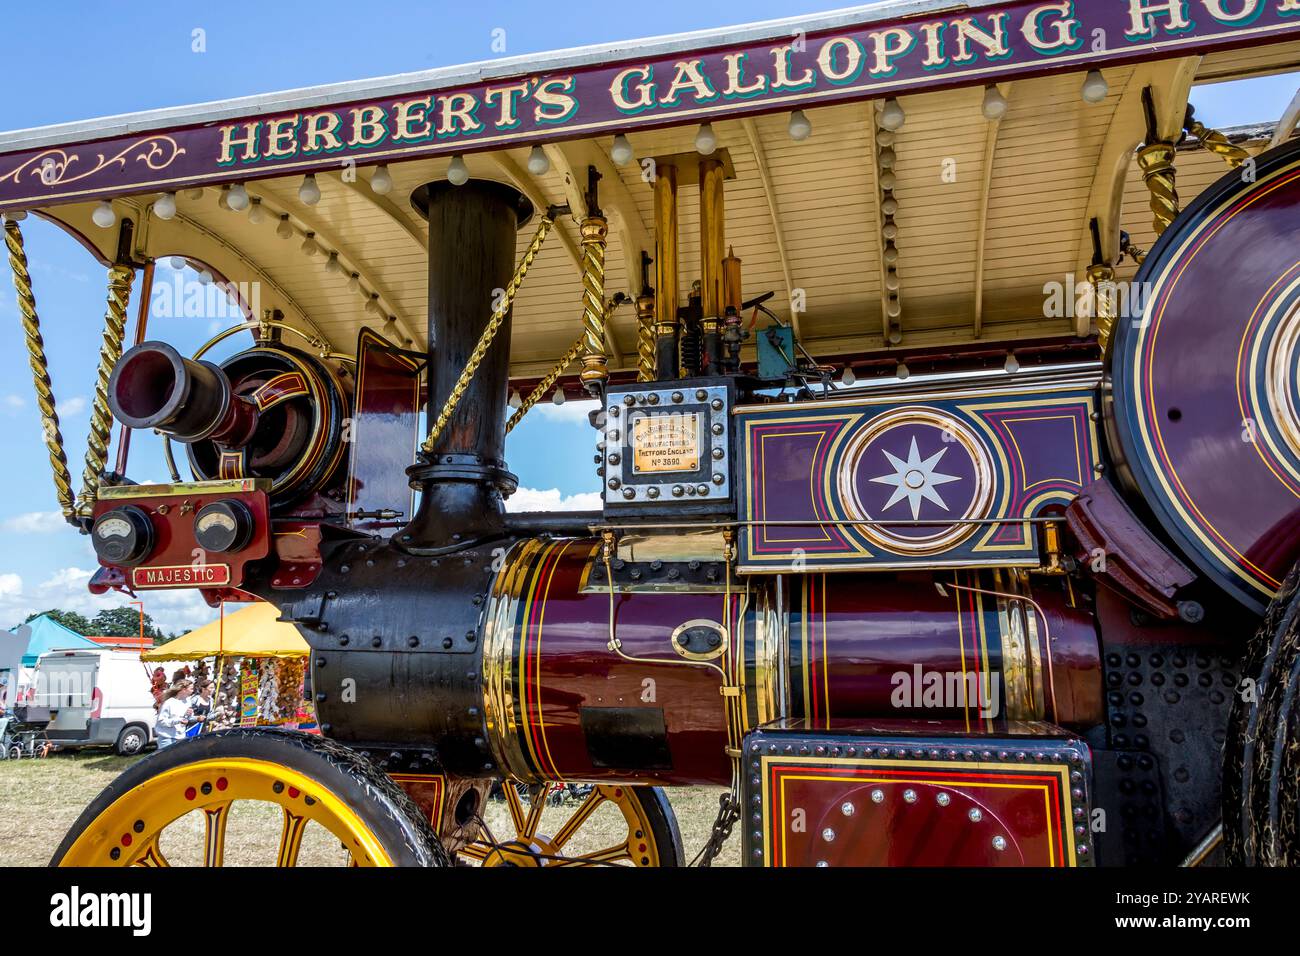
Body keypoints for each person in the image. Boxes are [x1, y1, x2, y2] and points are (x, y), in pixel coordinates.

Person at [154, 679, 195, 749]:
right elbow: (161, 721)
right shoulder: (169, 703)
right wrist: (178, 720)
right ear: (183, 689)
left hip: (180, 737)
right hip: (167, 738)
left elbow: (185, 718)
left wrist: (190, 715)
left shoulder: (188, 701)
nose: (193, 690)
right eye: (191, 688)